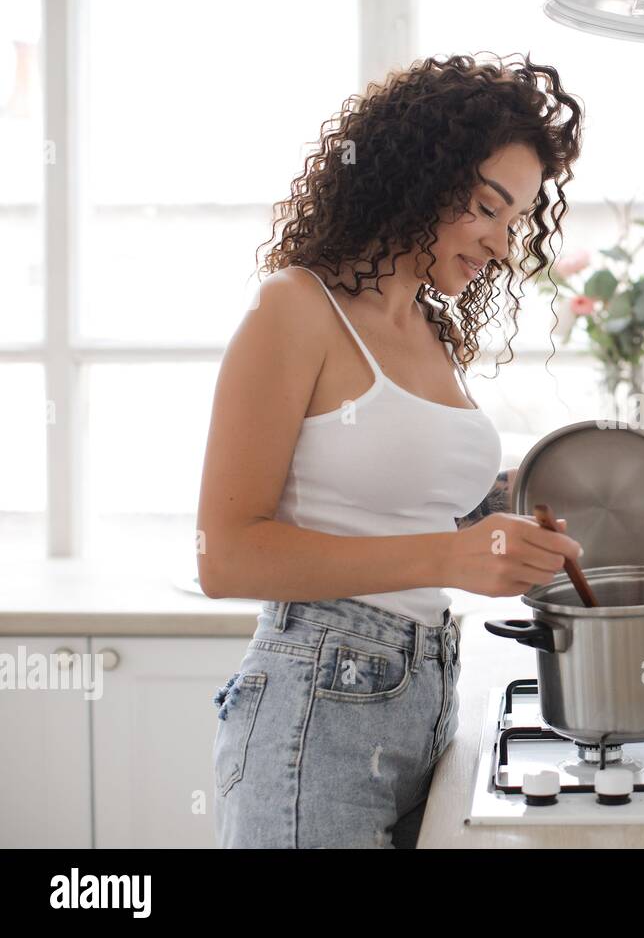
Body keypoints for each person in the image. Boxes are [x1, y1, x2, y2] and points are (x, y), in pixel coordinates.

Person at [197, 53, 584, 847]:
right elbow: (227, 555)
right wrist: (450, 556)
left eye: (516, 224)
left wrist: (522, 500)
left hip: (426, 696)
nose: (503, 246)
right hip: (316, 707)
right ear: (418, 174)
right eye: (486, 207)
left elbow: (405, 508)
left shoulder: (430, 330)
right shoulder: (296, 310)